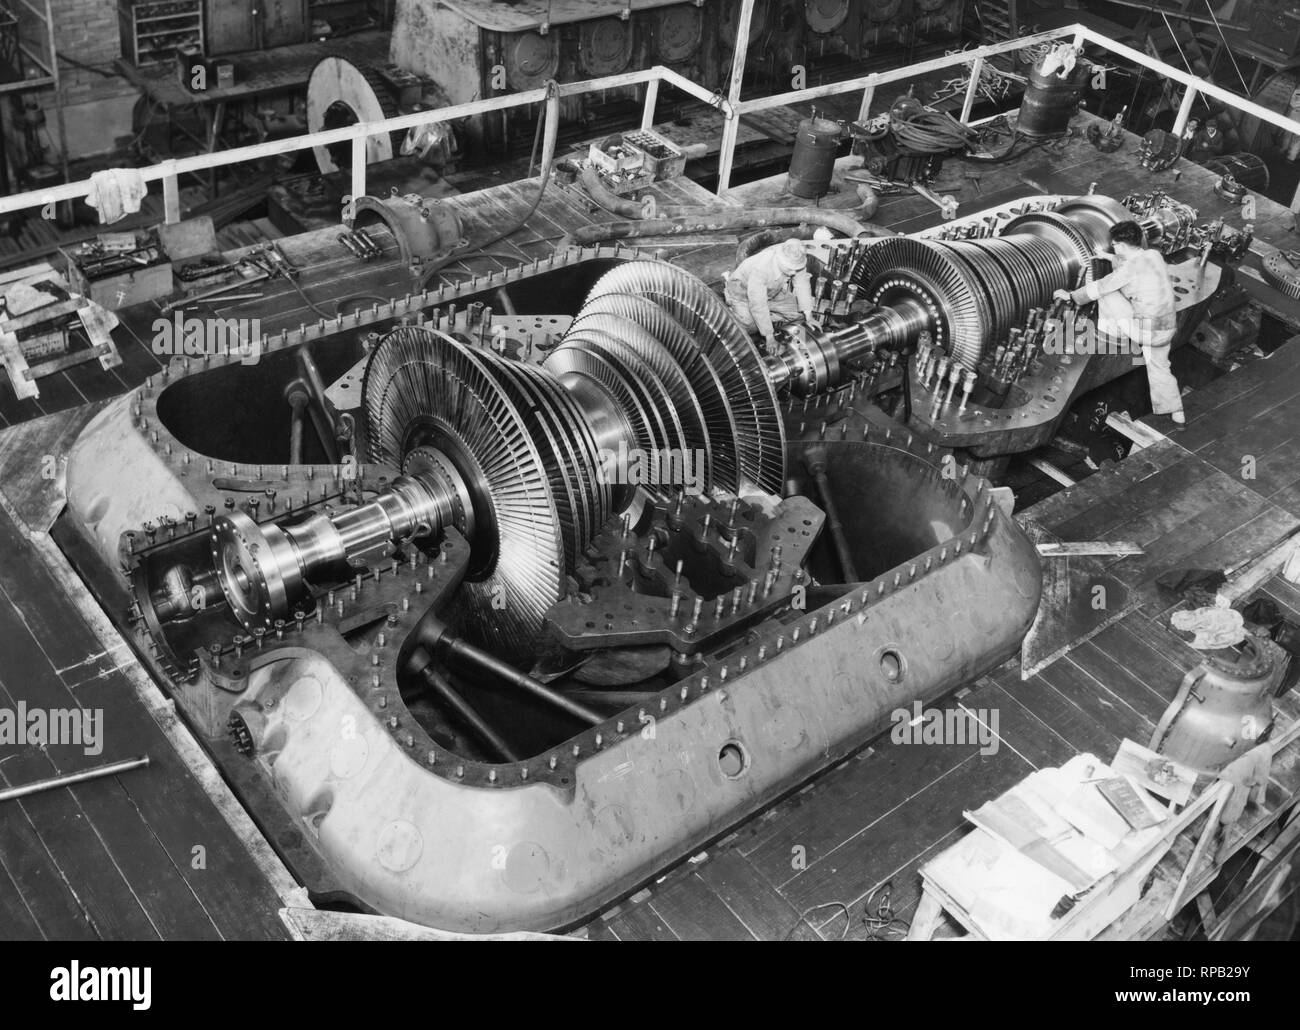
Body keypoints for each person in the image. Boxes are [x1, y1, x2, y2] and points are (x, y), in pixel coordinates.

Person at [1054, 219, 1184, 424]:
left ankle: (1111, 337)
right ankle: (1177, 413)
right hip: (1166, 329)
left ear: (1123, 245)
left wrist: (1070, 296)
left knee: (1106, 293)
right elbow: (1134, 264)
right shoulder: (1154, 255)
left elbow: (1100, 286)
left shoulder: (1128, 270)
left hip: (1144, 331)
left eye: (1115, 244)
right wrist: (1109, 256)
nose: (1113, 246)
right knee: (1160, 367)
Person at [725, 238, 821, 353]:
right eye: (790, 269)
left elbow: (802, 285)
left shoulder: (797, 261)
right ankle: (738, 312)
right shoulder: (761, 268)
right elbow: (757, 304)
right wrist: (769, 337)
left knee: (799, 313)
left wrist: (809, 316)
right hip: (742, 295)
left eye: (796, 269)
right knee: (750, 327)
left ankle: (765, 319)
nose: (793, 273)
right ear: (780, 260)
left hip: (772, 292)